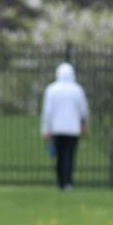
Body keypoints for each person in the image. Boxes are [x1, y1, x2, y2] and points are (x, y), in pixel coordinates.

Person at [39, 62, 89, 190]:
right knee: (69, 155)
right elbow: (83, 110)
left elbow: (47, 112)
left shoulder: (51, 90)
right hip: (73, 129)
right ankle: (68, 181)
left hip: (57, 128)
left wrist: (46, 129)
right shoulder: (77, 90)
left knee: (60, 156)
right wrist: (84, 124)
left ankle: (61, 181)